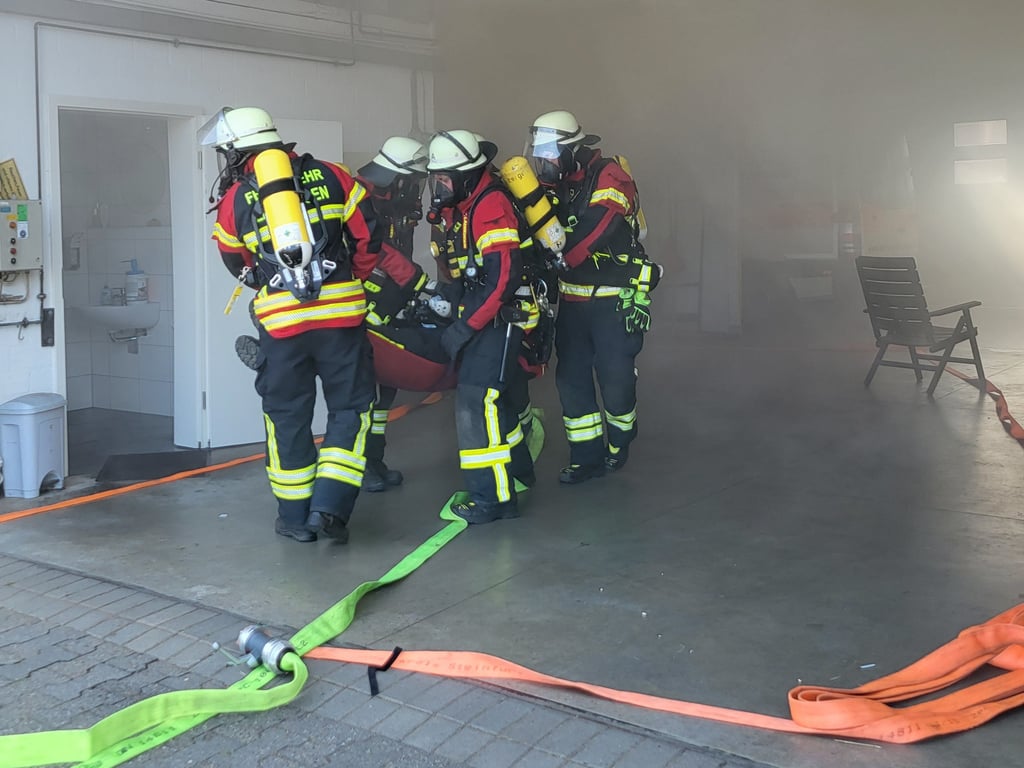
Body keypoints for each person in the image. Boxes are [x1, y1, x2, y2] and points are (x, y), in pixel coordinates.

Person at [200, 106, 381, 543]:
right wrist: (349, 277)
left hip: (282, 328)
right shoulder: (334, 176)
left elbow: (233, 257)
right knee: (351, 409)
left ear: (237, 150)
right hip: (341, 318)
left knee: (287, 416)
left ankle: (295, 517)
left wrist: (265, 279)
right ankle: (331, 507)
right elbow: (368, 235)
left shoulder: (236, 197)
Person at [525, 109, 661, 484]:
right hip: (572, 303)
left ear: (572, 149)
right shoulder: (558, 185)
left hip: (614, 301)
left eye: (550, 153)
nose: (544, 162)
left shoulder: (611, 177)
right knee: (571, 379)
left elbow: (594, 228)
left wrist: (561, 258)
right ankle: (586, 457)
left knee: (616, 379)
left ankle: (620, 440)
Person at [426, 129, 535, 524]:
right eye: (434, 179)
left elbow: (503, 278)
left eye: (444, 179)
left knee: (476, 403)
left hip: (498, 320)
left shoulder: (490, 207)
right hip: (482, 314)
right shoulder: (464, 205)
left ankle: (491, 500)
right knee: (497, 403)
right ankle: (519, 474)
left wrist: (466, 327)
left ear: (468, 176)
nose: (438, 188)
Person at [353, 136, 429, 492]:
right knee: (364, 394)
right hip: (358, 308)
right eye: (412, 180)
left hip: (388, 305)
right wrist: (416, 281)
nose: (416, 188)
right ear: (396, 176)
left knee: (384, 394)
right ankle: (361, 468)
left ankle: (375, 461)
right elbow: (376, 249)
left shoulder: (395, 200)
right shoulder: (360, 197)